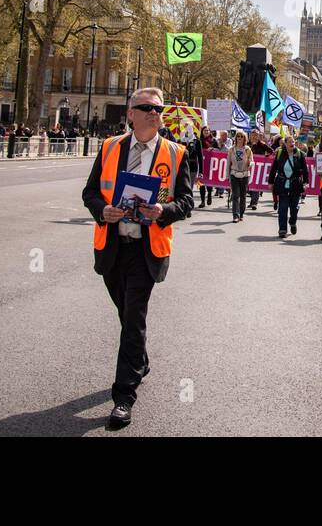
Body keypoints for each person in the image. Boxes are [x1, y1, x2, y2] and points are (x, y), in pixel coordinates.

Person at [81, 87, 194, 430]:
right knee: (125, 312)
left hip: (147, 249)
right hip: (113, 245)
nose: (152, 113)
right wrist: (104, 211)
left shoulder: (176, 153)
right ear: (130, 113)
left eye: (158, 109)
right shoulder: (110, 147)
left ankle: (124, 397)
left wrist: (163, 210)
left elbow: (187, 202)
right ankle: (140, 360)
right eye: (145, 107)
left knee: (133, 319)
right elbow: (89, 193)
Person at [269, 134, 309, 239]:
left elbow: (305, 170)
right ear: (285, 144)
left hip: (295, 185)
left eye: (293, 142)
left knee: (294, 208)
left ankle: (292, 222)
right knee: (282, 208)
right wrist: (271, 182)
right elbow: (274, 169)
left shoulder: (300, 154)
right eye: (290, 142)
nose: (292, 144)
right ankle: (282, 229)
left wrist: (305, 182)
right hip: (282, 184)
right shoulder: (280, 153)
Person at [227, 130, 253, 223]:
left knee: (243, 196)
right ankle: (235, 215)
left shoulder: (247, 149)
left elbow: (252, 161)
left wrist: (250, 163)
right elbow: (228, 164)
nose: (240, 138)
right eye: (238, 136)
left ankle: (241, 213)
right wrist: (227, 176)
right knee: (235, 196)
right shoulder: (231, 149)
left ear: (244, 138)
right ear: (236, 138)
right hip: (234, 174)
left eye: (242, 136)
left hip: (245, 174)